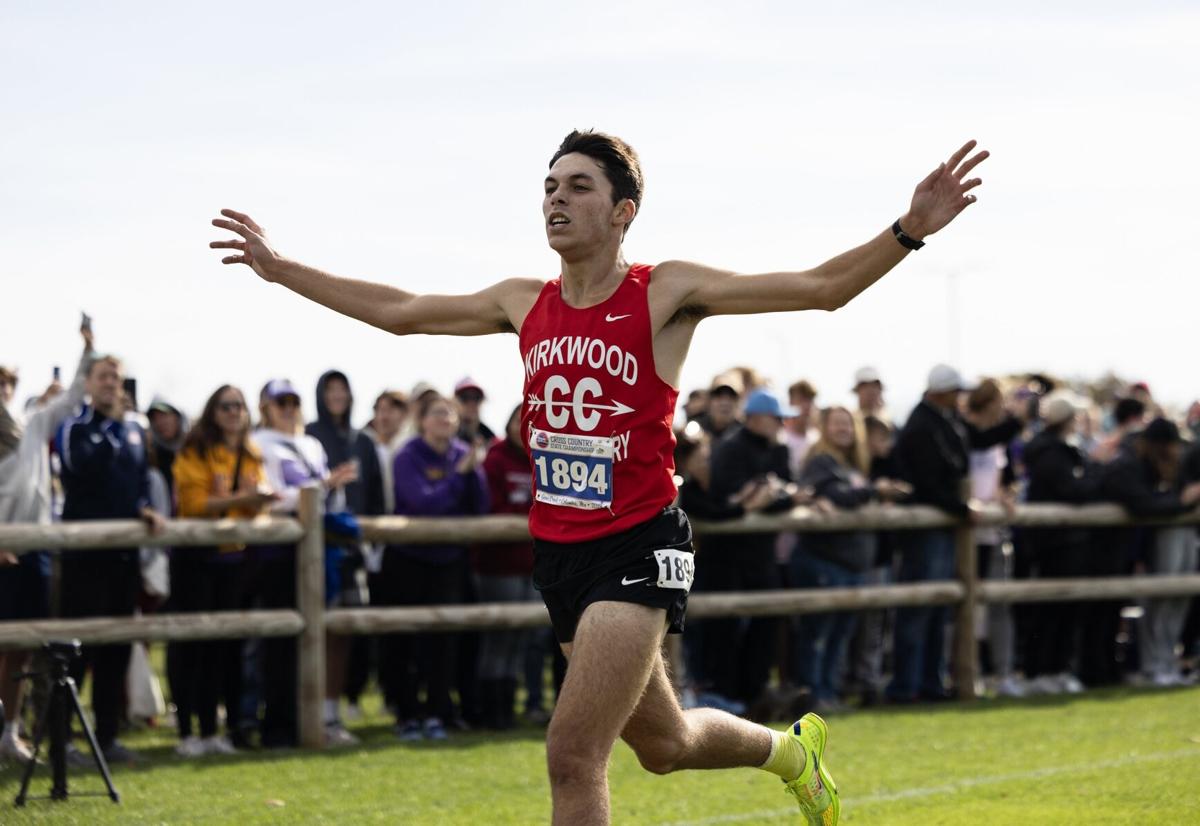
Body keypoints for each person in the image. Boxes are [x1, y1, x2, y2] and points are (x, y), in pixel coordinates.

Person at [211, 128, 989, 825]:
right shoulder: (523, 302)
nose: (556, 198)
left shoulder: (667, 291)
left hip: (639, 544)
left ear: (623, 211)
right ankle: (793, 756)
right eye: (549, 186)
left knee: (572, 754)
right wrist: (282, 271)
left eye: (578, 186)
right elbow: (404, 310)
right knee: (666, 741)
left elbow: (820, 290)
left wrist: (908, 231)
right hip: (561, 554)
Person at [54, 352, 167, 763]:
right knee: (76, 650)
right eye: (103, 377)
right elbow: (82, 472)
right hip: (85, 555)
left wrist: (143, 507)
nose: (110, 384)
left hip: (125, 555)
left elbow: (134, 481)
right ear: (88, 382)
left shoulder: (136, 432)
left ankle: (107, 737)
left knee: (116, 648)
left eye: (115, 378)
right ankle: (61, 741)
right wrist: (114, 426)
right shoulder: (75, 428)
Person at [888, 364, 1020, 703]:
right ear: (940, 392)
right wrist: (962, 508)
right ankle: (907, 686)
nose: (960, 397)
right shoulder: (921, 425)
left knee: (937, 609)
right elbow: (929, 482)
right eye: (955, 392)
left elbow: (978, 441)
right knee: (919, 609)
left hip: (943, 525)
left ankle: (930, 683)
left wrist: (1016, 422)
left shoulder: (943, 419)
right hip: (928, 528)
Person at [0, 322, 93, 763]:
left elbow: (75, 396)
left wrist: (87, 350)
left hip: (31, 551)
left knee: (22, 649)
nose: (2, 388)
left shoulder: (33, 423)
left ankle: (10, 732)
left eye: (7, 381)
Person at [169, 385, 277, 756]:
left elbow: (251, 510)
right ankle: (188, 732)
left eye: (239, 407)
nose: (234, 413)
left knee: (228, 647)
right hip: (195, 559)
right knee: (192, 647)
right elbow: (195, 503)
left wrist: (255, 503)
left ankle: (222, 731)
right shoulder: (195, 449)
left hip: (234, 561)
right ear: (213, 412)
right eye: (226, 406)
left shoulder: (252, 453)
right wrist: (243, 500)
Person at [253, 379, 359, 746]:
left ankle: (312, 719)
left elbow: (323, 493)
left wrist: (332, 488)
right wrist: (324, 486)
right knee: (281, 641)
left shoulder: (311, 444)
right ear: (265, 407)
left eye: (293, 401)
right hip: (280, 548)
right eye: (280, 402)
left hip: (317, 547)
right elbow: (273, 496)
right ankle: (277, 723)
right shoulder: (259, 443)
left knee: (319, 634)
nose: (288, 408)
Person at [382, 394, 489, 741]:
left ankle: (438, 712)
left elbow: (481, 508)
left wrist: (474, 474)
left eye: (450, 414)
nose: (446, 419)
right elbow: (422, 503)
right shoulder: (408, 455)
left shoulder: (462, 453)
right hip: (408, 559)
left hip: (449, 561)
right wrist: (459, 477)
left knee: (444, 640)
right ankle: (407, 713)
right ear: (422, 420)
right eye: (438, 414)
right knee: (406, 640)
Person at [793, 406, 907, 712]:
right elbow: (834, 495)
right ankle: (814, 696)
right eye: (837, 423)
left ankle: (829, 693)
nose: (843, 429)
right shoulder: (821, 461)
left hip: (850, 565)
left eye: (848, 423)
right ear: (825, 427)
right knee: (818, 634)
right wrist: (874, 491)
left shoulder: (853, 465)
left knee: (839, 635)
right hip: (824, 561)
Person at [305, 369, 385, 734]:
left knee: (345, 631)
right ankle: (308, 709)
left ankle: (332, 709)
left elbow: (378, 495)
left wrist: (374, 540)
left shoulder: (362, 440)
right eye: (330, 389)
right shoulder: (310, 435)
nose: (337, 395)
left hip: (355, 549)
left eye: (342, 389)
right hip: (315, 551)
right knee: (313, 631)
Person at [1022, 393, 1100, 694]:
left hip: (1061, 541)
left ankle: (1056, 668)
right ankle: (1043, 671)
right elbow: (1075, 491)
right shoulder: (1051, 454)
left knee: (1063, 609)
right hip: (1055, 543)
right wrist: (1097, 470)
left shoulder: (1060, 451)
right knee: (1052, 610)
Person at [475, 404, 535, 729]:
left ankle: (507, 708)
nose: (521, 426)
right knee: (497, 637)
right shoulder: (495, 460)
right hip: (498, 564)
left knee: (520, 637)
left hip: (531, 562)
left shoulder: (539, 460)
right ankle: (490, 710)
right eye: (517, 420)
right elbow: (491, 506)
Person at [964, 380, 1021, 697]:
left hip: (995, 532)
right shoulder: (967, 434)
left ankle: (1004, 673)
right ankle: (968, 672)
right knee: (966, 608)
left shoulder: (1000, 443)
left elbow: (1007, 480)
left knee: (1000, 606)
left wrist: (1006, 495)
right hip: (968, 537)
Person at [454, 377, 496, 444]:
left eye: (476, 398)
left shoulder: (491, 439)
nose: (471, 403)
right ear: (454, 401)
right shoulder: (445, 436)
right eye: (465, 397)